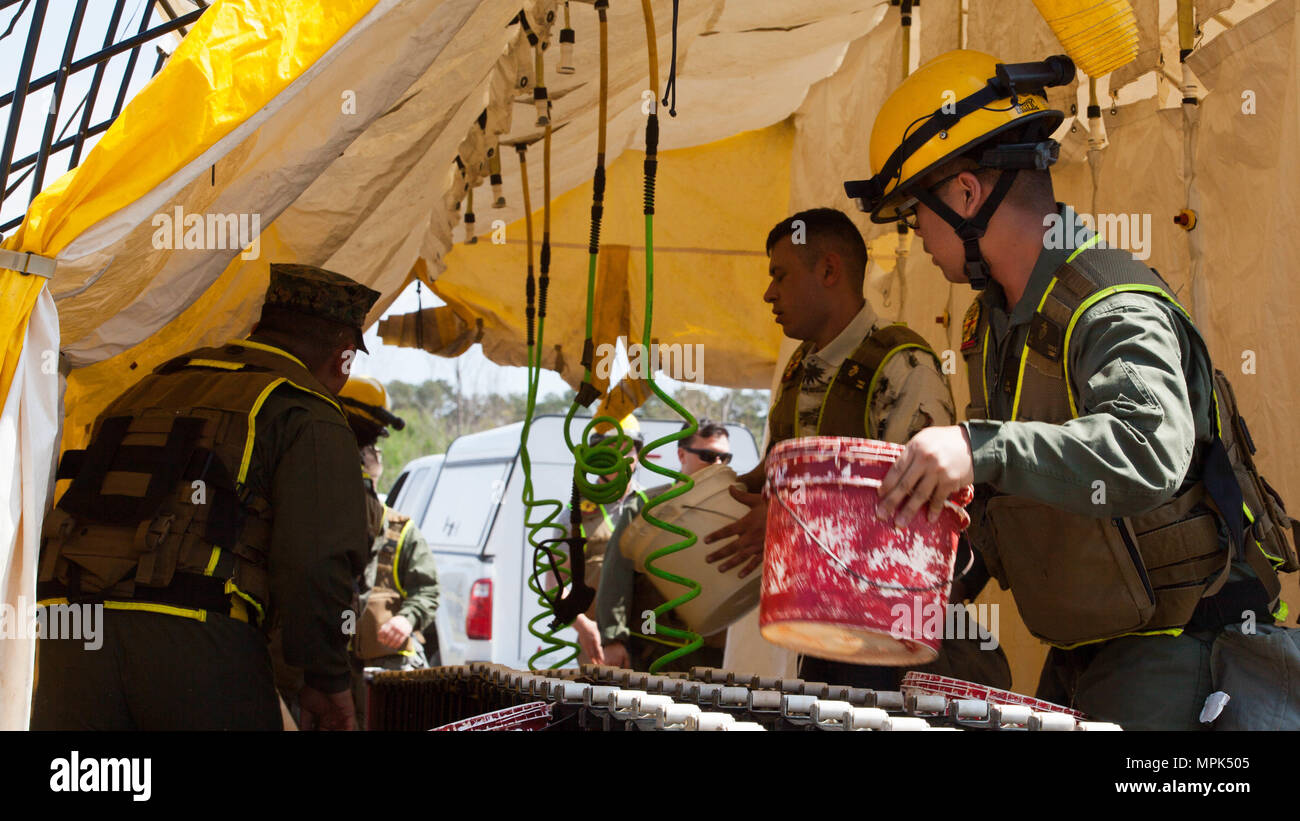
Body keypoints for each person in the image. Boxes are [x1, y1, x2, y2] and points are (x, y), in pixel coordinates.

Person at [852, 49, 1300, 728]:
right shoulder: (993, 325)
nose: (918, 240)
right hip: (1087, 650)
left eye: (916, 218)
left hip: (1179, 655)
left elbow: (1148, 450)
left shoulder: (1109, 301)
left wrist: (979, 448)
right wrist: (939, 569)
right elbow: (1019, 485)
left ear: (967, 196)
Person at [32, 263, 379, 731]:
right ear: (343, 356)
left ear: (257, 329)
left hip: (69, 631)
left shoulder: (146, 388)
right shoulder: (305, 411)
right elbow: (315, 561)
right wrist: (326, 676)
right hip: (194, 638)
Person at [704, 207, 1008, 691]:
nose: (769, 293)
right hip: (829, 627)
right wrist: (721, 492)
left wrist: (787, 524)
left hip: (895, 634)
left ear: (828, 270)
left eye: (780, 275)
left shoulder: (902, 365)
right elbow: (789, 463)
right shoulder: (802, 365)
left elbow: (922, 511)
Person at [591, 419, 733, 672]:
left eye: (725, 458)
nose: (718, 465)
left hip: (711, 654)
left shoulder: (736, 510)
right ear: (681, 454)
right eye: (708, 456)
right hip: (653, 650)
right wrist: (613, 639)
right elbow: (616, 576)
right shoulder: (645, 507)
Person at [339, 375, 440, 727]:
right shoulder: (315, 513)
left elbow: (428, 591)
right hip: (329, 670)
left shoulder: (402, 530)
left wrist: (406, 619)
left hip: (385, 670)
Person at [567, 415, 648, 664]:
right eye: (610, 449)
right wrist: (582, 626)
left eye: (627, 449)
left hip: (649, 642)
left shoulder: (653, 506)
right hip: (597, 646)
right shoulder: (575, 513)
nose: (619, 458)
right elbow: (555, 584)